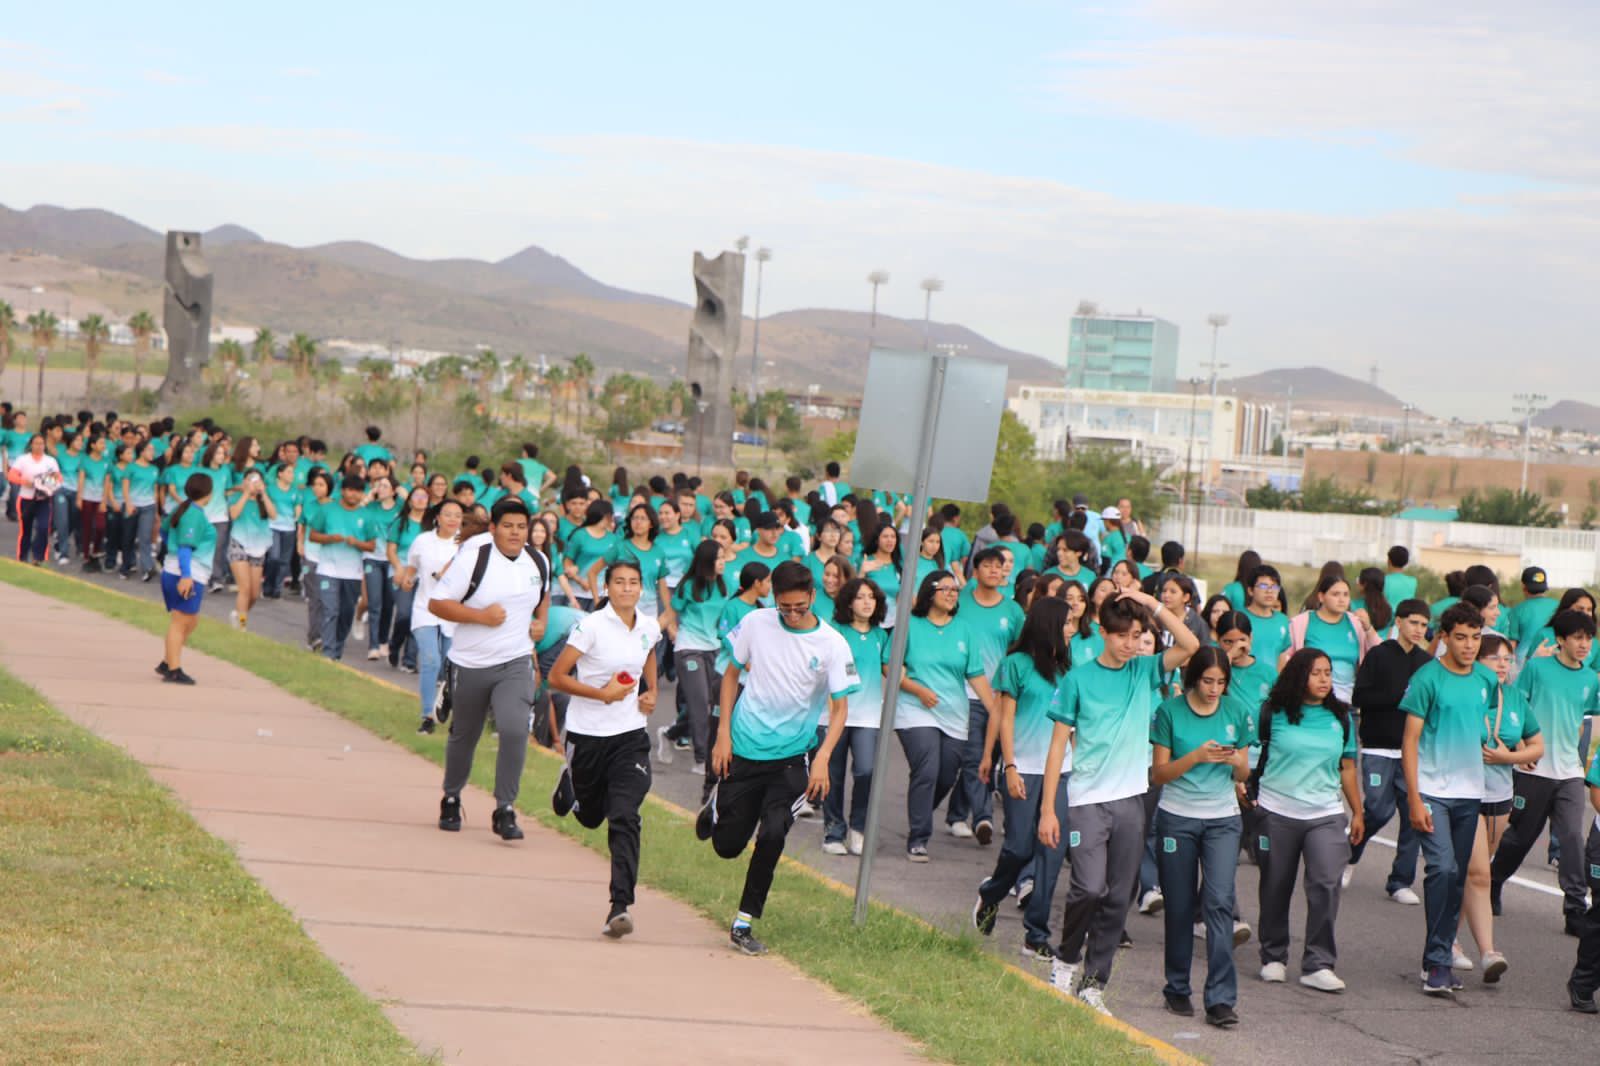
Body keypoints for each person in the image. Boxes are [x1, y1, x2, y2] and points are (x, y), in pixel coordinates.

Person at [1037, 587, 1200, 1016]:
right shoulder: (1078, 679)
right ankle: (1065, 960)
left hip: (1131, 800)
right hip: (1088, 800)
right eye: (1122, 635)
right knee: (1088, 887)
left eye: (1137, 635)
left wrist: (1150, 602)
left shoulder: (1144, 671)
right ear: (1105, 634)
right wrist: (1047, 810)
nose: (1131, 643)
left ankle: (1093, 984)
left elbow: (1191, 645)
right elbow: (1057, 747)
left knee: (1117, 896)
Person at [698, 560, 857, 956]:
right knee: (727, 847)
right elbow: (731, 674)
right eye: (784, 607)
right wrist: (722, 735)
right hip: (745, 747)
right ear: (774, 599)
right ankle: (718, 805)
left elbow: (840, 709)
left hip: (792, 758)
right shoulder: (755, 623)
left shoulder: (833, 643)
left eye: (799, 607)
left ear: (813, 597)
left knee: (772, 832)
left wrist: (822, 759)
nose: (791, 614)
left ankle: (744, 921)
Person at [549, 559, 662, 937]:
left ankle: (620, 906)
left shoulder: (648, 625)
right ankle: (572, 784)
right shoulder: (591, 626)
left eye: (633, 582)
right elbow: (557, 676)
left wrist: (652, 691)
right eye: (619, 583)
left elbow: (649, 651)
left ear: (640, 588)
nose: (627, 589)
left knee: (624, 814)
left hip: (630, 736)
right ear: (608, 587)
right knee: (591, 817)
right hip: (588, 735)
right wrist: (602, 694)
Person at [430, 498, 550, 841]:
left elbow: (542, 596)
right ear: (494, 528)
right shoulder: (475, 557)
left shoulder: (538, 561)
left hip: (515, 662)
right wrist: (480, 617)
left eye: (522, 527)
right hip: (470, 663)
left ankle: (505, 809)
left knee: (514, 730)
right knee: (464, 736)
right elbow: (437, 603)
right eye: (508, 526)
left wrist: (540, 623)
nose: (515, 533)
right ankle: (451, 797)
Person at [1251, 649, 1363, 994]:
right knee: (1275, 883)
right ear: (1299, 675)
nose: (1324, 679)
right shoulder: (1272, 713)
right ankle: (1273, 956)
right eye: (1316, 673)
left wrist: (1357, 810)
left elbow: (1346, 766)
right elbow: (1255, 753)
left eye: (1328, 672)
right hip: (1276, 810)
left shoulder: (1341, 717)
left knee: (1326, 882)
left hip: (1325, 813)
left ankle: (1318, 962)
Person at [1150, 646, 1251, 1027]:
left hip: (1223, 820)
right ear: (1193, 678)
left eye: (1221, 682)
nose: (1214, 689)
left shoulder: (1236, 711)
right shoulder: (1169, 711)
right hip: (1177, 818)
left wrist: (1236, 761)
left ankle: (1221, 999)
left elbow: (1242, 776)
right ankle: (1176, 987)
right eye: (1208, 681)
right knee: (1178, 906)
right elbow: (1158, 775)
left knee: (1220, 903)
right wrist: (1195, 757)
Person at [971, 596, 1074, 961]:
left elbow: (1071, 724)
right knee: (1018, 848)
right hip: (1022, 768)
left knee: (1051, 850)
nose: (1072, 629)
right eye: (1067, 622)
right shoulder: (1014, 665)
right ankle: (992, 893)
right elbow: (1005, 718)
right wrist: (1007, 765)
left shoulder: (1068, 669)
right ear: (1049, 625)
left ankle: (1036, 933)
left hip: (1060, 773)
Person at [1400, 603, 1493, 996]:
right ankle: (1438, 961)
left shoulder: (1487, 680)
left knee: (1456, 878)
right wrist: (1415, 799)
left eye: (1475, 637)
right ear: (1446, 637)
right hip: (1433, 791)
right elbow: (1410, 741)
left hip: (1470, 794)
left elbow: (1481, 729)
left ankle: (1434, 959)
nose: (1469, 645)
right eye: (1461, 637)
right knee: (1441, 868)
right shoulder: (1427, 678)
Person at [1490, 608, 1600, 932]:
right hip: (1533, 767)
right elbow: (1517, 707)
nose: (1584, 645)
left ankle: (1574, 909)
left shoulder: (1590, 679)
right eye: (1578, 638)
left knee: (1570, 836)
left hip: (1569, 772)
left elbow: (1584, 720)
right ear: (1561, 640)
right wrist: (1520, 749)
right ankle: (1494, 880)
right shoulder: (1536, 669)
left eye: (1589, 638)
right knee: (1521, 837)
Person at [895, 569, 1001, 862]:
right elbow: (892, 670)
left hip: (954, 713)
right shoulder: (911, 626)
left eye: (956, 590)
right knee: (927, 769)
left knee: (946, 775)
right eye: (946, 589)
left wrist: (996, 711)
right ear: (930, 593)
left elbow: (976, 675)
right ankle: (918, 837)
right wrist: (918, 691)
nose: (953, 594)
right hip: (915, 709)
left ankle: (921, 809)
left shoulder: (964, 629)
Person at [1463, 633, 1541, 983]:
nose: (1501, 664)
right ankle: (1487, 952)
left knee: (1476, 873)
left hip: (1500, 794)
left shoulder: (1514, 698)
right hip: (1462, 793)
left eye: (1506, 659)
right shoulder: (1464, 695)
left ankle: (1448, 939)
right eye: (1493, 657)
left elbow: (1536, 746)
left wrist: (1510, 756)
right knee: (1479, 872)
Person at [1344, 598, 1431, 903]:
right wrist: (1398, 696)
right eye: (1413, 623)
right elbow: (1360, 696)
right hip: (1379, 747)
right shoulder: (1379, 654)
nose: (1419, 629)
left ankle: (1400, 881)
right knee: (1378, 809)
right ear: (1399, 621)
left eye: (1424, 625)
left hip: (1411, 751)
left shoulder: (1425, 662)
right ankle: (1349, 851)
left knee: (1413, 817)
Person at [957, 547, 1026, 843]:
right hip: (965, 693)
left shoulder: (1013, 611)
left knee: (992, 756)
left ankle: (956, 813)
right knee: (974, 756)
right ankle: (982, 817)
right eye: (988, 566)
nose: (995, 571)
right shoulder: (960, 603)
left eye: (1000, 567)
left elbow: (1020, 649)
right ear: (976, 571)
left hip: (1000, 696)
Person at [823, 576, 889, 855]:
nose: (866, 602)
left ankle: (857, 828)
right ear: (849, 602)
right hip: (836, 713)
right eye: (861, 597)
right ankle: (833, 831)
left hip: (869, 716)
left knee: (866, 771)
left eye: (871, 597)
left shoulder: (881, 635)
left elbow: (891, 670)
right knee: (833, 774)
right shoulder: (834, 630)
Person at [666, 540, 730, 772]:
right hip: (688, 648)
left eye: (724, 557)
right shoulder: (688, 586)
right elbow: (669, 614)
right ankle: (702, 759)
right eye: (720, 558)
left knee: (711, 704)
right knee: (701, 703)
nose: (724, 562)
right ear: (707, 561)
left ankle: (672, 732)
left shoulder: (726, 585)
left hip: (715, 650)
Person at [402, 499, 463, 732]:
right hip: (425, 608)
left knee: (451, 666)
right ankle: (427, 716)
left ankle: (451, 713)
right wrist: (408, 579)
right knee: (430, 660)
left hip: (452, 612)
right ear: (437, 516)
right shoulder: (423, 541)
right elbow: (412, 567)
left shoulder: (465, 545)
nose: (452, 519)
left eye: (457, 515)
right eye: (448, 514)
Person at [307, 475, 379, 661]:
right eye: (349, 490)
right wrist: (330, 538)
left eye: (357, 491)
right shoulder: (327, 510)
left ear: (362, 494)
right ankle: (328, 652)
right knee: (330, 610)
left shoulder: (366, 516)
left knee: (346, 613)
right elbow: (313, 535)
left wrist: (357, 543)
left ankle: (337, 649)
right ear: (343, 491)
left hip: (352, 573)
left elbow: (372, 545)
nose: (353, 495)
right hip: (328, 569)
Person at [157, 473, 218, 685]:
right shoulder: (194, 515)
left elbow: (164, 531)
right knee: (180, 621)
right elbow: (184, 547)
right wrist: (186, 575)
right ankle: (173, 670)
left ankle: (167, 661)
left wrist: (171, 547)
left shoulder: (183, 509)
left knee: (190, 621)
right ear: (209, 493)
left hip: (183, 570)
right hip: (185, 572)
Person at [1285, 572, 1372, 703]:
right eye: (1335, 594)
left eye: (1346, 594)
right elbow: (1285, 658)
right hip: (1312, 701)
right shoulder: (1302, 622)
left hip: (1348, 701)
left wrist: (1369, 629)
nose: (1342, 599)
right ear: (1321, 596)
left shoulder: (1356, 622)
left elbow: (1377, 654)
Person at [225, 463, 276, 631]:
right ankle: (241, 626)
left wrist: (264, 493)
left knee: (254, 594)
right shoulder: (237, 497)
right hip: (239, 543)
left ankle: (239, 614)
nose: (254, 483)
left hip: (258, 546)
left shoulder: (265, 499)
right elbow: (233, 514)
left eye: (257, 480)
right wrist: (246, 493)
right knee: (244, 588)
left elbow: (273, 515)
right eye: (250, 479)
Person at [7, 434, 61, 564]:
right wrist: (24, 481)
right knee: (26, 529)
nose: (39, 446)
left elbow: (58, 477)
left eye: (41, 443)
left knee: (43, 527)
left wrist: (47, 484)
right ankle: (23, 556)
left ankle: (38, 556)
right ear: (31, 444)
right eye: (36, 443)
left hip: (43, 499)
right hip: (26, 498)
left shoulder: (50, 461)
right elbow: (11, 475)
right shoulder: (23, 459)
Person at [1502, 566, 1556, 654]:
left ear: (1523, 586)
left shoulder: (1516, 611)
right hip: (1554, 656)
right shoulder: (1559, 606)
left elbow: (1512, 643)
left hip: (1525, 660)